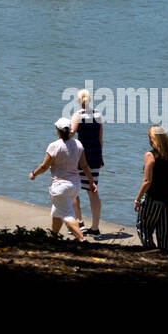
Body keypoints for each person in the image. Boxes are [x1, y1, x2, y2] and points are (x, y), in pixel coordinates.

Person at [29, 117, 98, 241]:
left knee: (67, 215)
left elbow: (44, 166)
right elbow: (84, 165)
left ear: (58, 131)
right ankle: (53, 238)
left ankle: (82, 240)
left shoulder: (54, 146)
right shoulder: (78, 144)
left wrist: (34, 173)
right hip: (75, 186)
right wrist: (91, 182)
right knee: (57, 211)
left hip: (61, 187)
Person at [133, 125, 168, 251]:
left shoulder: (150, 156)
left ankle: (151, 251)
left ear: (153, 139)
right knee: (166, 232)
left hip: (153, 198)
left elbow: (147, 181)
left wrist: (137, 199)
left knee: (143, 228)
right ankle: (165, 253)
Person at [70, 89, 104, 235]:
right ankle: (95, 227)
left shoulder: (77, 115)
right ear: (89, 100)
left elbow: (70, 134)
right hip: (95, 156)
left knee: (74, 190)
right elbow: (100, 139)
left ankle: (79, 222)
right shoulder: (97, 114)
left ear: (78, 101)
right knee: (93, 190)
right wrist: (101, 157)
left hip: (80, 157)